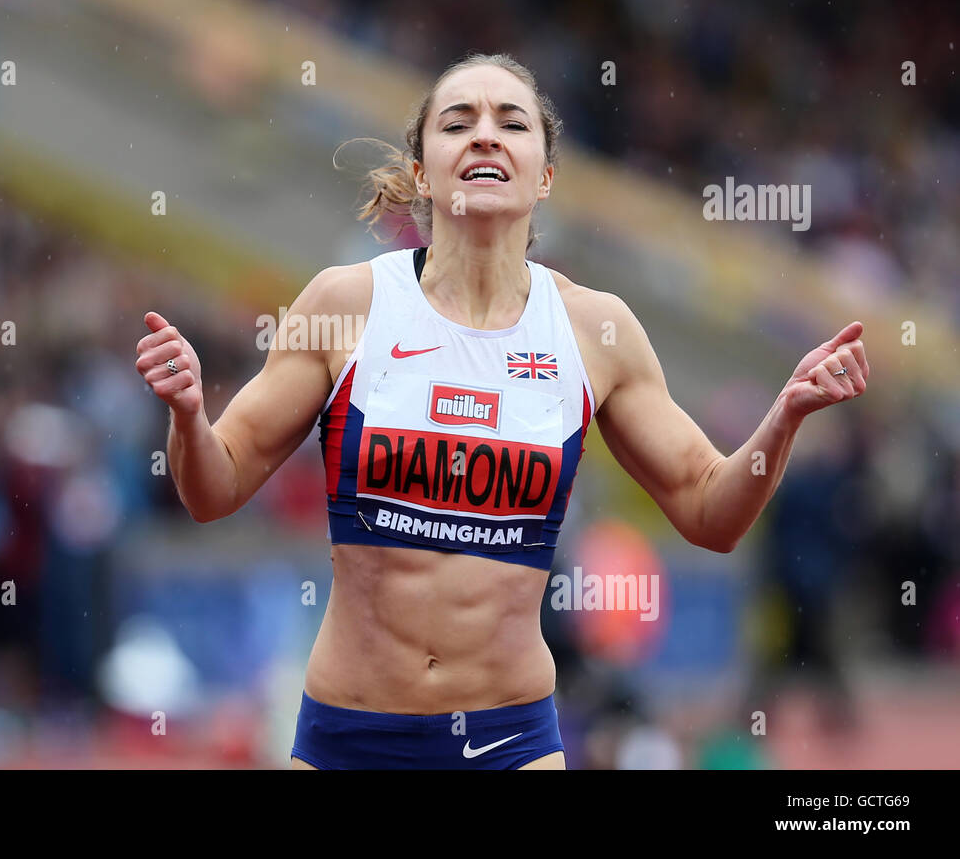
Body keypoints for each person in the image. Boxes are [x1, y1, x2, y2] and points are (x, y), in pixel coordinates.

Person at [134, 52, 870, 769]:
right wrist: (189, 416)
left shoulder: (596, 332)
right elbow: (213, 490)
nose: (485, 134)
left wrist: (786, 417)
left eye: (511, 122)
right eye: (458, 122)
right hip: (348, 740)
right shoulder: (345, 305)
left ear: (545, 175)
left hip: (507, 743)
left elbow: (712, 514)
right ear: (421, 169)